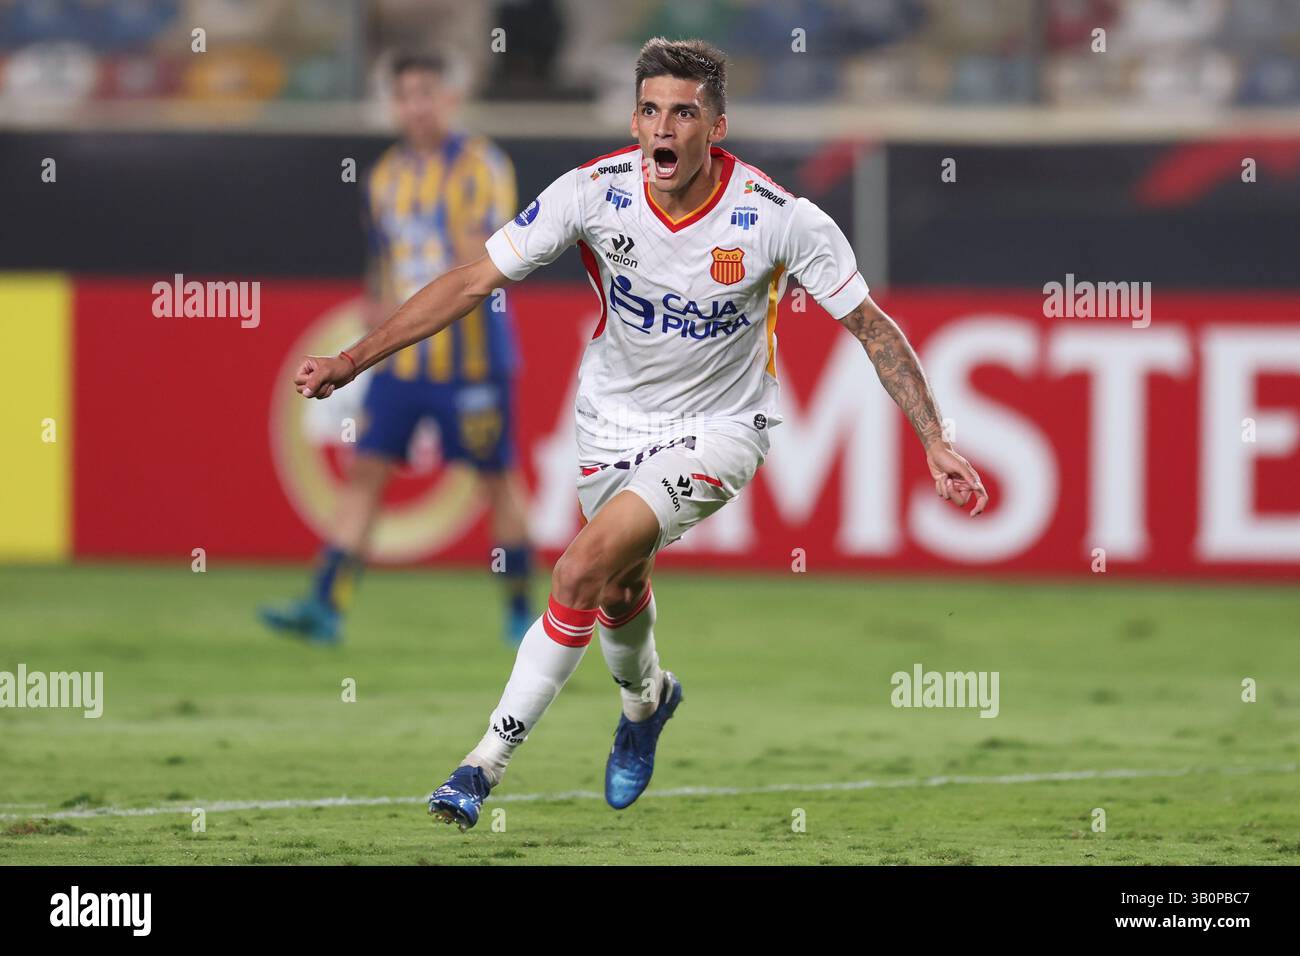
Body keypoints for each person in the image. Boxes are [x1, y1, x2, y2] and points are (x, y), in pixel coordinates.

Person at [291, 38, 989, 828]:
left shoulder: (777, 218)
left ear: (715, 127)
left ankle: (479, 766)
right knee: (620, 587)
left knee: (580, 571)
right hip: (610, 423)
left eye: (684, 113)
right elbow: (471, 280)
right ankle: (646, 704)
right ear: (635, 120)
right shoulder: (593, 192)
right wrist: (355, 357)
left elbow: (873, 327)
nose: (665, 127)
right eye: (652, 111)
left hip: (722, 428)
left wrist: (933, 436)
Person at [261, 52, 534, 646]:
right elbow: (381, 268)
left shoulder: (482, 165)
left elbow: (479, 263)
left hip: (473, 360)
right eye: (405, 94)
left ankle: (520, 614)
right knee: (367, 471)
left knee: (496, 480)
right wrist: (371, 326)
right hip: (403, 363)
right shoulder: (384, 176)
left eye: (427, 93)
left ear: (450, 98)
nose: (416, 105)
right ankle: (325, 606)